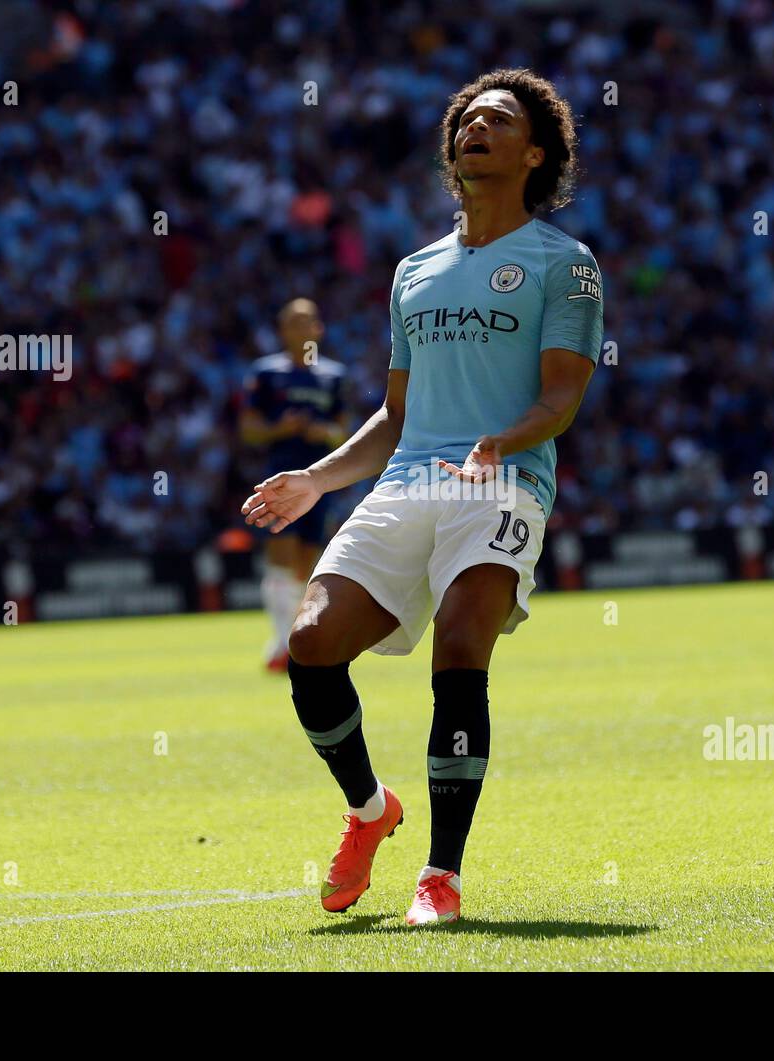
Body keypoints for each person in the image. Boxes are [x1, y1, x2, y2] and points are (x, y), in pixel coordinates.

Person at [241, 69, 603, 924]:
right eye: (467, 118)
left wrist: (498, 443)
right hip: (409, 483)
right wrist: (317, 479)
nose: (475, 125)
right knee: (312, 641)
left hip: (504, 480)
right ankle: (370, 810)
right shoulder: (414, 270)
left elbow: (563, 396)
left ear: (536, 152)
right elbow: (397, 415)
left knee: (462, 645)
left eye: (499, 119)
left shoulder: (565, 264)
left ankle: (440, 876)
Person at [240, 299, 348, 671]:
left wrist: (324, 432)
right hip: (281, 477)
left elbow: (345, 433)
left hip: (320, 481)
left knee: (308, 562)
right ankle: (280, 644)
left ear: (319, 329)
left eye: (309, 322)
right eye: (295, 323)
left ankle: (297, 640)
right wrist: (278, 430)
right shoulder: (266, 373)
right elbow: (248, 430)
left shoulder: (333, 375)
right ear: (282, 330)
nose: (303, 329)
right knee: (281, 555)